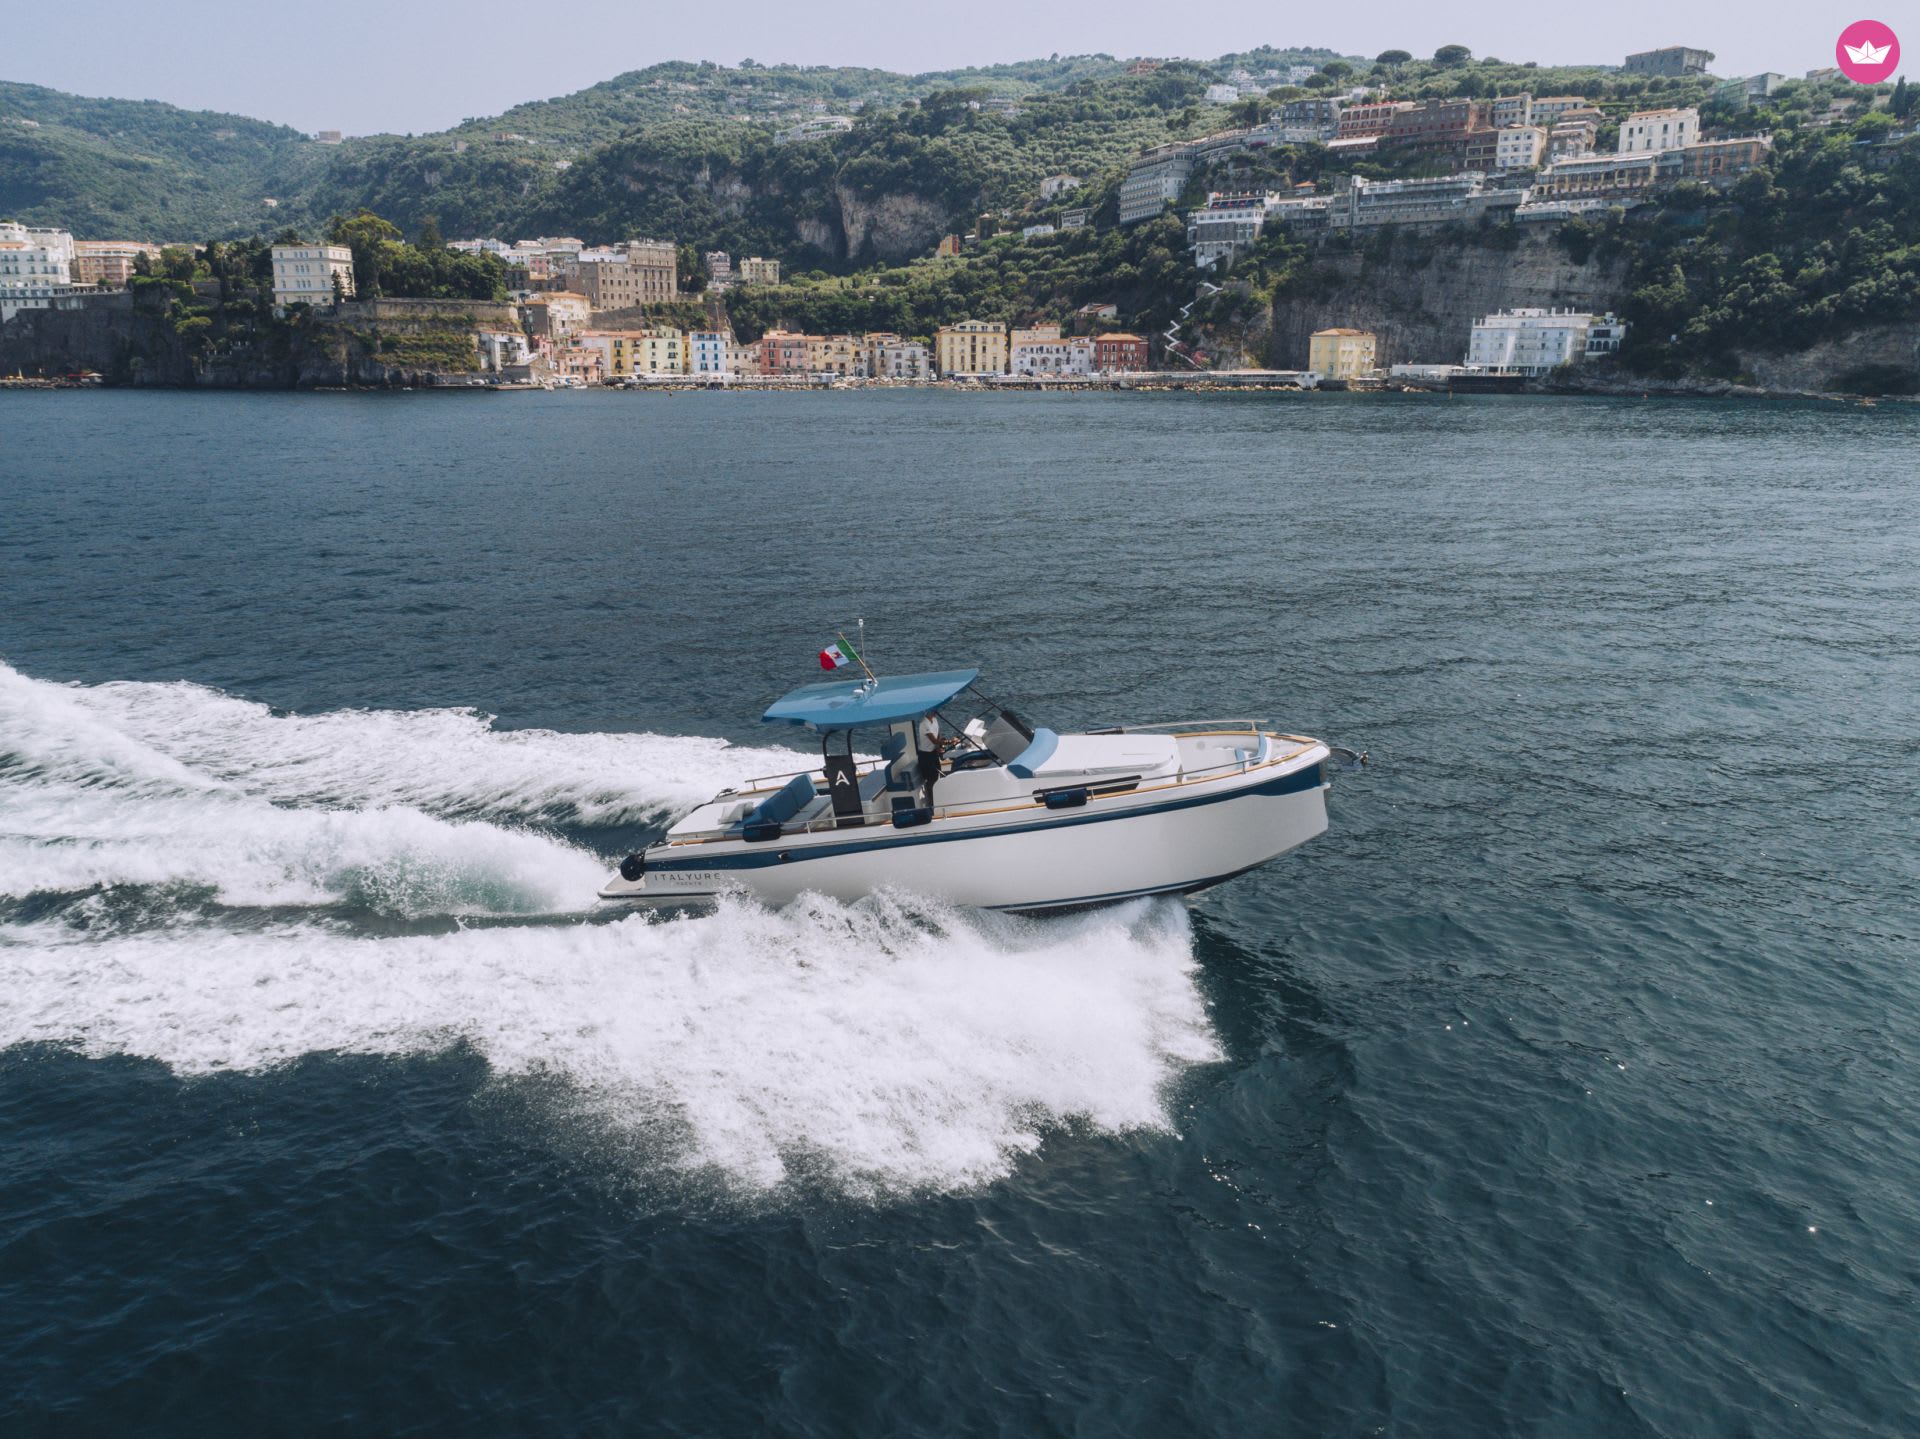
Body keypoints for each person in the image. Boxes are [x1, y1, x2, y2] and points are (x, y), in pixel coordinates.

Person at [915, 711, 948, 809]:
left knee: (937, 775)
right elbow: (934, 740)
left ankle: (937, 798)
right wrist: (950, 741)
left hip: (933, 753)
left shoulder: (935, 720)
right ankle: (932, 804)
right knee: (931, 780)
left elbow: (938, 735)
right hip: (925, 756)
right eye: (933, 710)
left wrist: (938, 748)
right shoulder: (924, 724)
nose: (935, 711)